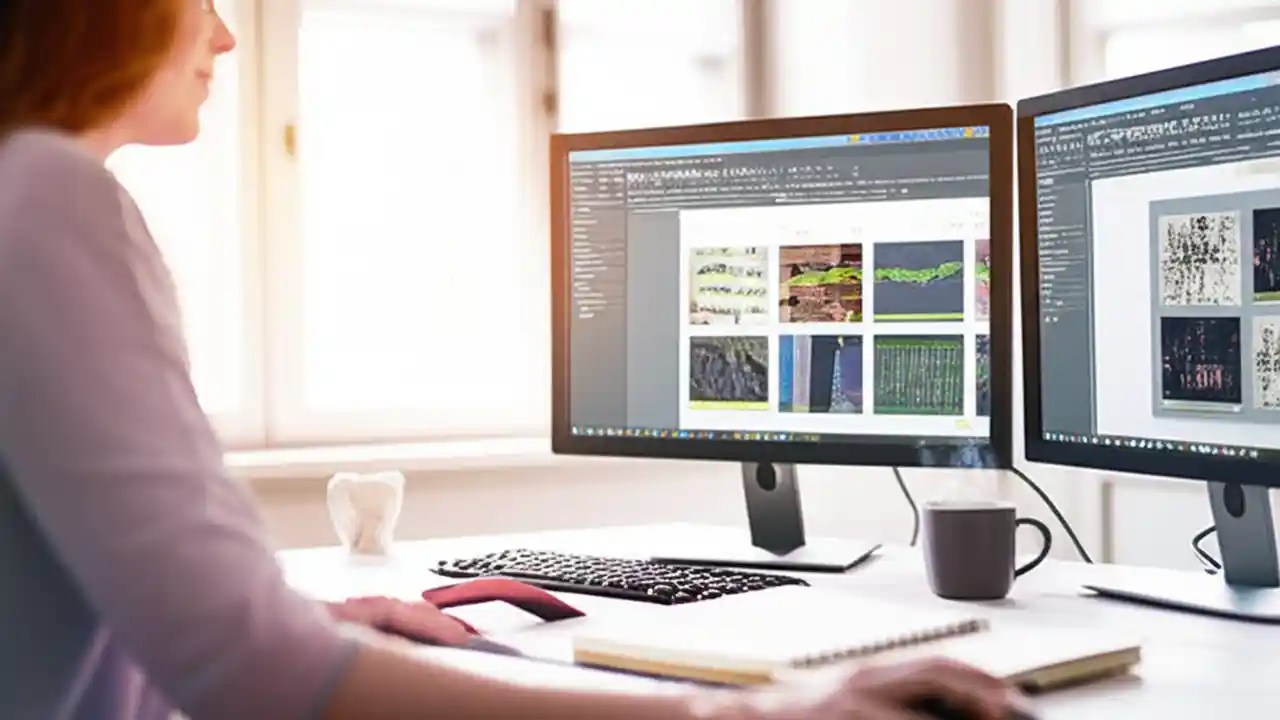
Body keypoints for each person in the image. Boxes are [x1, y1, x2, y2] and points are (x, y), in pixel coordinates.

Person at [0, 1, 1027, 718]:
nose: (224, 34)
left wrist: (287, 615)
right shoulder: (44, 194)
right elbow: (248, 676)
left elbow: (99, 603)